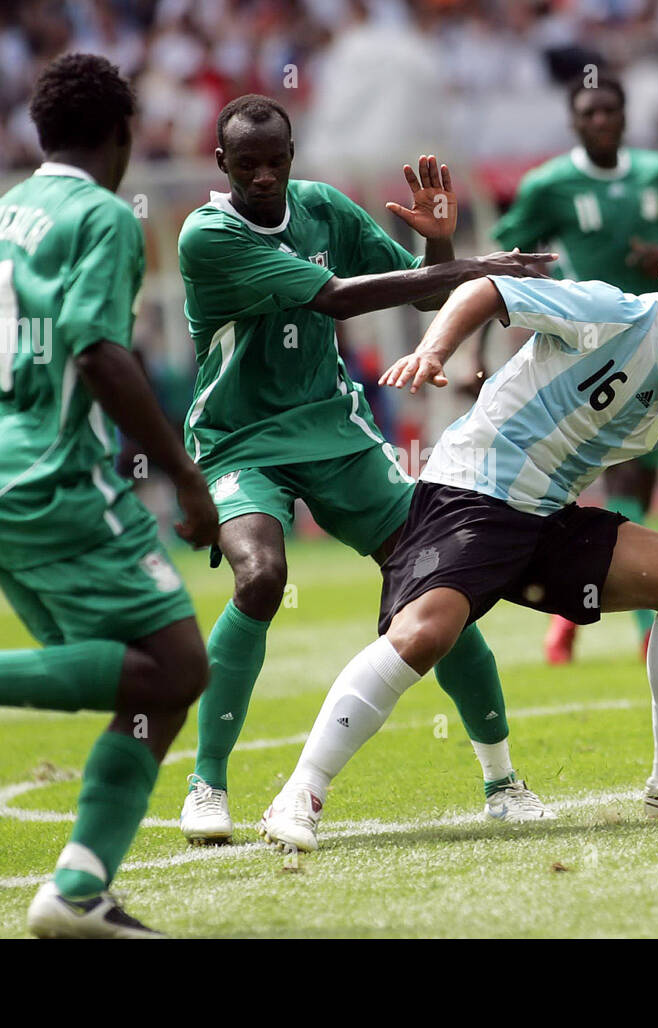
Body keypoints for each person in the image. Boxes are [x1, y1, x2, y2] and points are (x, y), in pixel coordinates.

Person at [259, 229, 658, 851]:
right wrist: (436, 349)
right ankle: (300, 792)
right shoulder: (612, 314)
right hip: (471, 493)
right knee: (422, 637)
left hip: (548, 517)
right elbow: (486, 288)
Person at [0, 54, 219, 937]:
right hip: (55, 477)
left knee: (149, 685)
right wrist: (184, 474)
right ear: (122, 135)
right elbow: (98, 352)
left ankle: (76, 890)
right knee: (179, 667)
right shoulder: (101, 216)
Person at [176, 95, 558, 845]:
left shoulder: (321, 208)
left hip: (335, 431)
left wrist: (445, 249)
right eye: (245, 163)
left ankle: (503, 779)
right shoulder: (207, 235)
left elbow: (429, 291)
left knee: (442, 580)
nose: (262, 176)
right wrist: (480, 263)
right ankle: (207, 784)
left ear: (292, 155)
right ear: (221, 164)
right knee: (259, 579)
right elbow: (338, 298)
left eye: (275, 160)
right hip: (239, 437)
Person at [489, 75, 658, 665]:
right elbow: (505, 255)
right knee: (597, 483)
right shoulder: (549, 184)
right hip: (581, 354)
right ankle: (644, 628)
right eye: (589, 112)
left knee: (632, 488)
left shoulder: (657, 177)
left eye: (610, 111)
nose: (600, 121)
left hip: (657, 351)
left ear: (624, 115)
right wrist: (554, 293)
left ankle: (569, 618)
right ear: (574, 121)